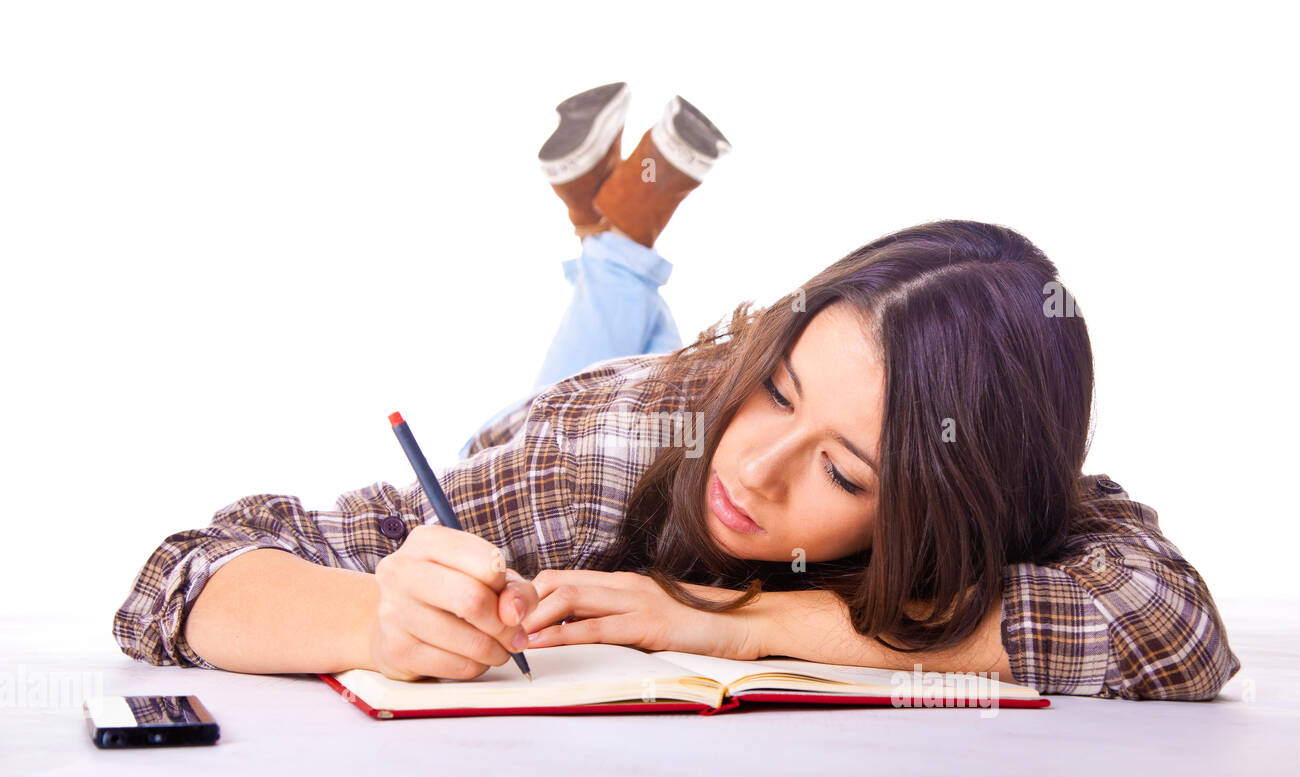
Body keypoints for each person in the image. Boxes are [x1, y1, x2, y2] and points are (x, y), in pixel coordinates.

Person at [112, 82, 1241, 701]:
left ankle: (605, 219)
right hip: (598, 421)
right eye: (781, 391)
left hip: (675, 401)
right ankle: (613, 238)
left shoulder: (1008, 499)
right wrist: (371, 615)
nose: (754, 470)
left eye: (843, 469)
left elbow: (1170, 627)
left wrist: (725, 618)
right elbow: (180, 574)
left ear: (953, 511)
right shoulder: (593, 451)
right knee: (588, 375)